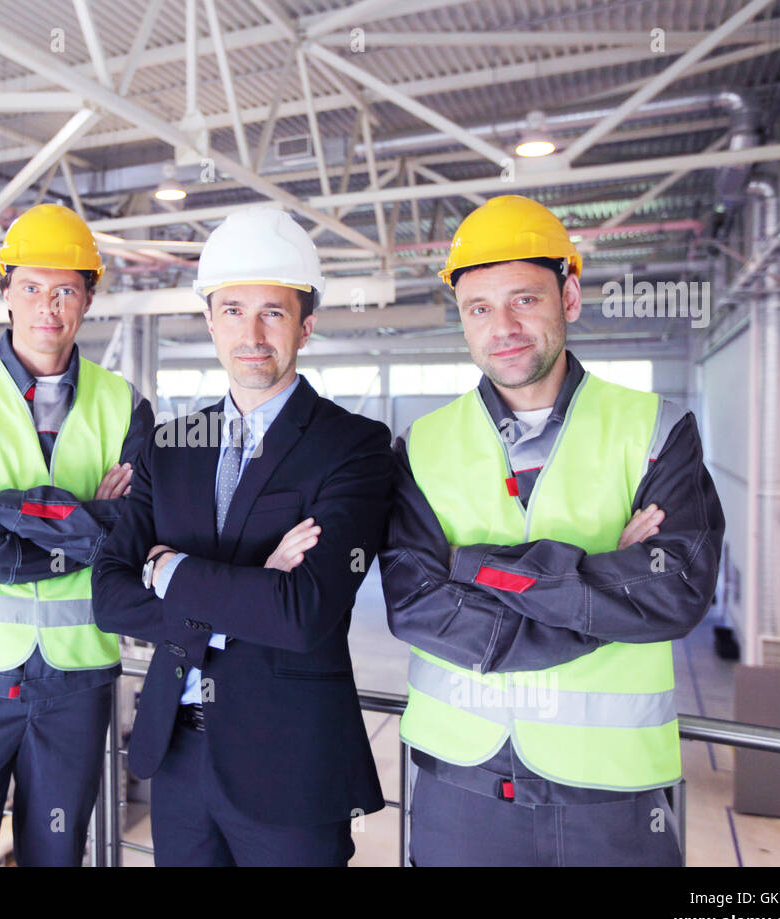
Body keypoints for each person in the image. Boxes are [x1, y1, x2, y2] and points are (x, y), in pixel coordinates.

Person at [380, 194, 724, 866]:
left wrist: (471, 568)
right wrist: (600, 588)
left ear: (568, 296)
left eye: (524, 300)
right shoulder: (420, 445)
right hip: (460, 787)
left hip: (611, 798)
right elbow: (414, 605)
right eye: (479, 308)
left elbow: (674, 591)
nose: (501, 326)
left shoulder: (654, 429)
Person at [91, 207, 392, 866]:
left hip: (289, 765)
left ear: (305, 326)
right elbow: (109, 595)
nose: (251, 333)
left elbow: (306, 612)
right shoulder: (168, 446)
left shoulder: (355, 448)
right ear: (208, 320)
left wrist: (168, 570)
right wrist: (255, 583)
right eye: (232, 311)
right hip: (176, 755)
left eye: (273, 312)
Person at [0, 203, 152, 866]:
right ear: (5, 290)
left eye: (67, 289)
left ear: (89, 298)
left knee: (56, 859)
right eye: (33, 287)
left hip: (74, 683)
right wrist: (75, 528)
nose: (49, 306)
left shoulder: (125, 404)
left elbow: (129, 538)